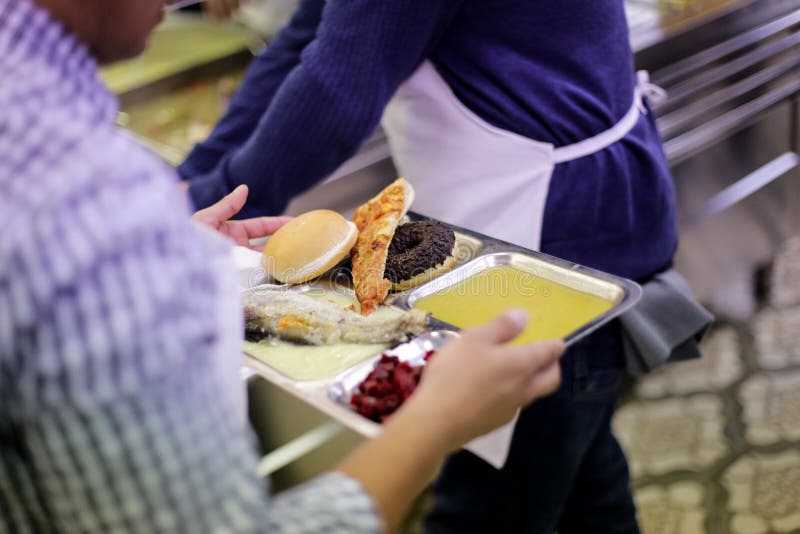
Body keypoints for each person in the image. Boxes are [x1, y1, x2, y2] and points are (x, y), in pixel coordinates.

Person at [0, 0, 567, 532]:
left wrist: (172, 216)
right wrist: (434, 423)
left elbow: (321, 61)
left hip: (554, 218)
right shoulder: (94, 205)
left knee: (572, 474)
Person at [178, 1, 679, 532]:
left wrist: (205, 195)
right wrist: (196, 181)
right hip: (562, 209)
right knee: (579, 464)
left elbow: (335, 89)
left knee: (490, 498)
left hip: (553, 235)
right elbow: (304, 38)